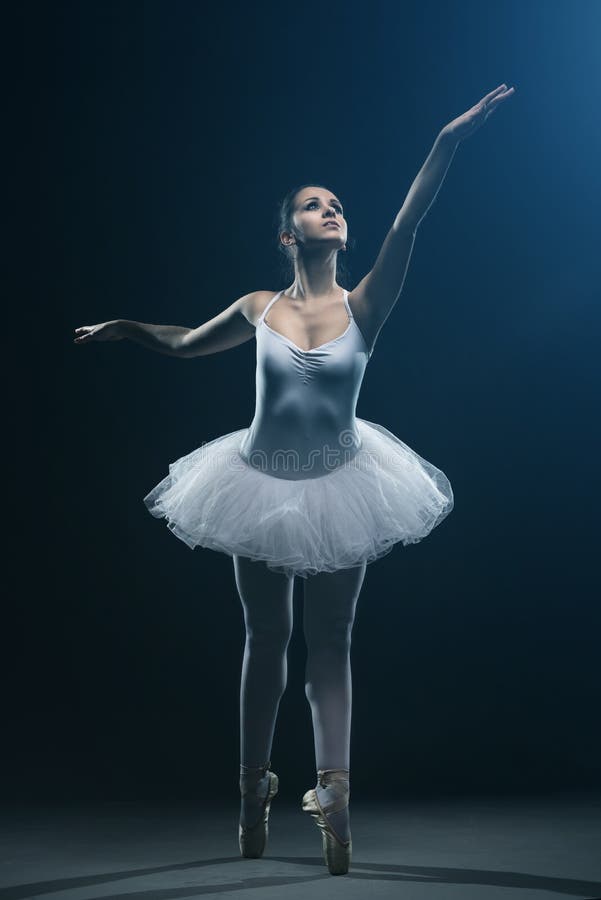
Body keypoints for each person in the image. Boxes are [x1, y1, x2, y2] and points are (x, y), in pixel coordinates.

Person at [74, 83, 515, 875]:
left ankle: (335, 800)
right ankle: (251, 795)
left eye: (337, 204)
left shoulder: (368, 303)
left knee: (332, 643)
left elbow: (410, 220)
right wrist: (127, 329)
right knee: (265, 638)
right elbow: (180, 344)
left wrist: (448, 138)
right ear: (289, 234)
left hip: (343, 481)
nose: (332, 210)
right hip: (257, 482)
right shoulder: (255, 307)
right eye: (316, 206)